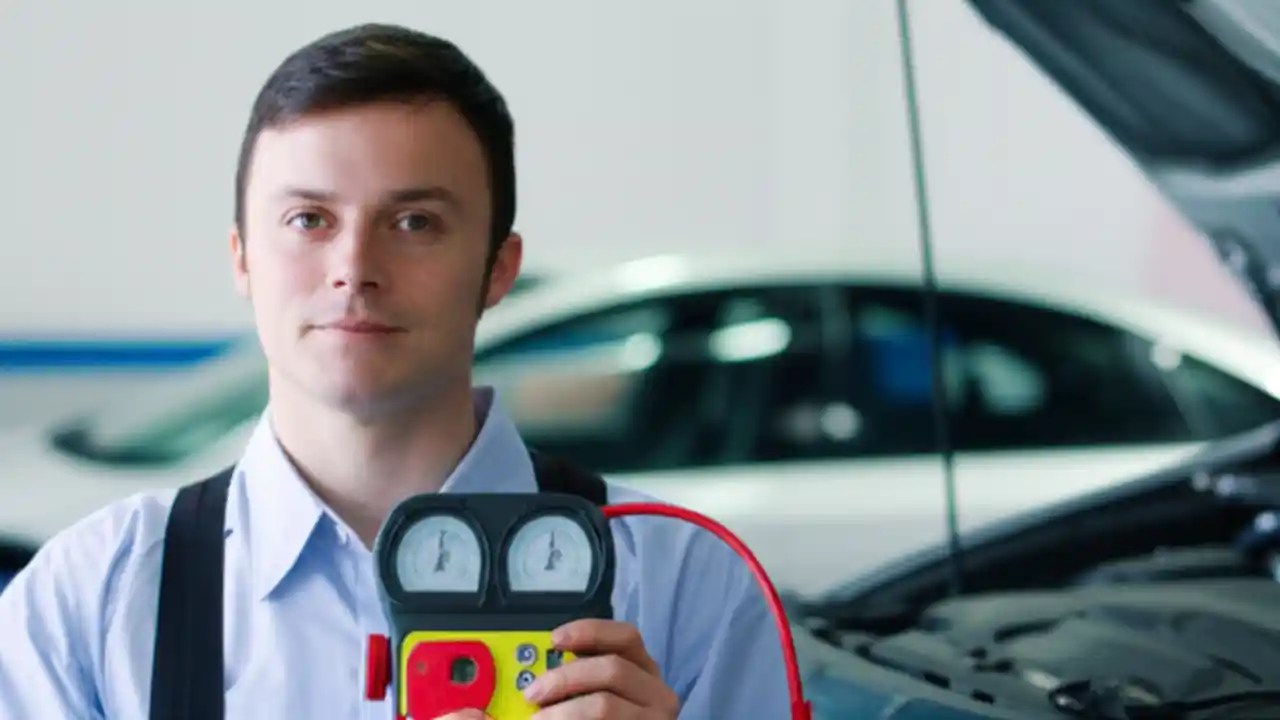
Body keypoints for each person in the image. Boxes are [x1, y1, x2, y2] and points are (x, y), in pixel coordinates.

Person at [0, 22, 792, 719]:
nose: (354, 267)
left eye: (414, 221)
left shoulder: (685, 584)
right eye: (308, 219)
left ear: (498, 267)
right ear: (242, 256)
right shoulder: (90, 599)